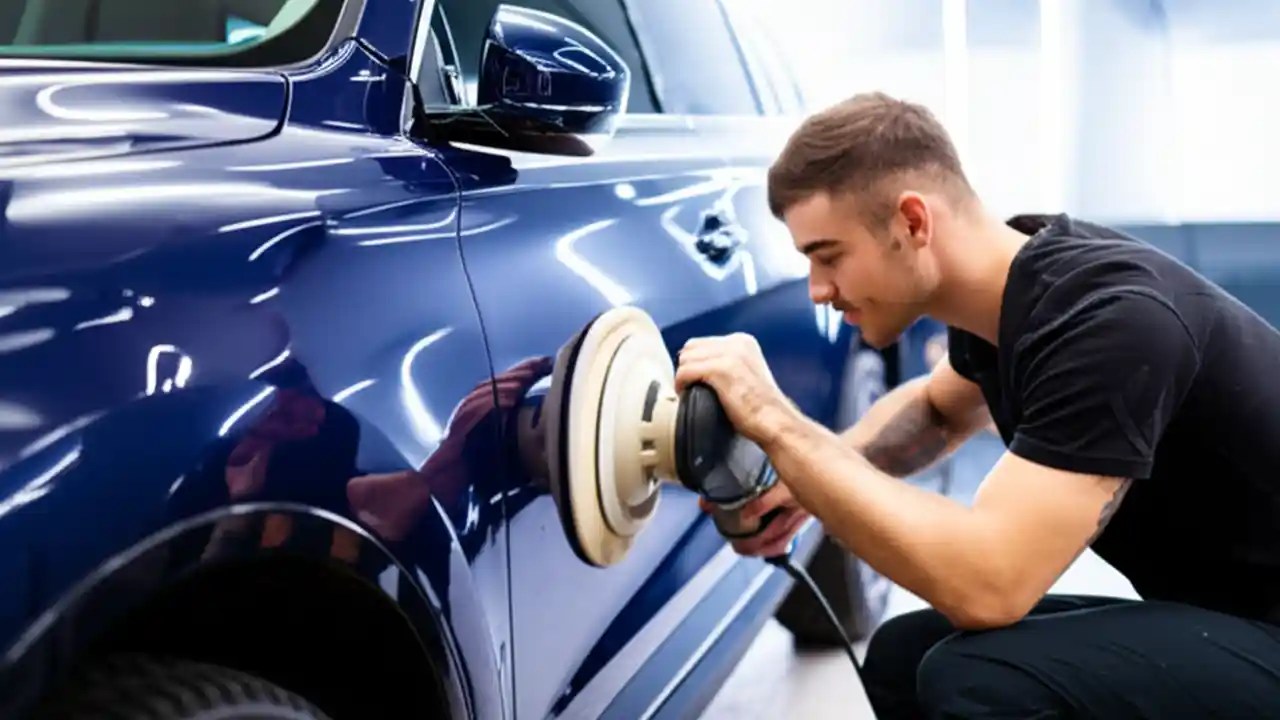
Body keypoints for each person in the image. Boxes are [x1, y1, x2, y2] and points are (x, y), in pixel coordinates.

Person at [673, 91, 1280, 718]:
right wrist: (806, 482)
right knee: (904, 654)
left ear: (912, 223)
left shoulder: (1111, 322)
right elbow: (936, 412)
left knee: (976, 679)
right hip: (1223, 618)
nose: (820, 290)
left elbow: (990, 586)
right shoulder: (1014, 293)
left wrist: (776, 425)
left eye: (829, 257)